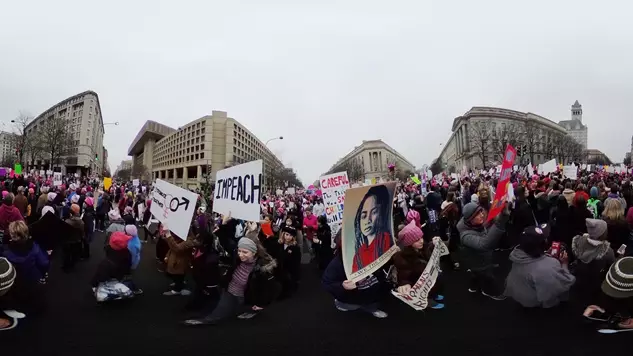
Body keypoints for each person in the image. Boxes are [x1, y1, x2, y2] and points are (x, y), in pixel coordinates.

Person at [183, 237, 279, 325]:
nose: (241, 254)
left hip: (246, 297)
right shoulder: (237, 258)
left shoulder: (262, 269)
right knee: (218, 312)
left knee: (240, 314)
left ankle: (250, 311)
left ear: (254, 253)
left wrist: (261, 304)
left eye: (245, 252)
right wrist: (224, 223)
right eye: (239, 251)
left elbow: (269, 289)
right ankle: (203, 320)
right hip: (230, 291)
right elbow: (225, 239)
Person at [504, 225, 575, 308]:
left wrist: (544, 254)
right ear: (543, 244)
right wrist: (564, 264)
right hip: (533, 304)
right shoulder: (550, 265)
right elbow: (566, 282)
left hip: (518, 294)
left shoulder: (517, 255)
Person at [322, 231, 389, 318]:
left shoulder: (373, 252)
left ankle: (373, 309)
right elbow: (326, 283)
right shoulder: (336, 264)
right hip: (353, 297)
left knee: (372, 303)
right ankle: (340, 303)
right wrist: (341, 286)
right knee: (352, 305)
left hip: (371, 291)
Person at [457, 202, 509, 300]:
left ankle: (473, 288)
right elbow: (484, 244)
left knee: (476, 275)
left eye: (481, 212)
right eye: (477, 214)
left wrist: (497, 210)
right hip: (480, 263)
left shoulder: (472, 224)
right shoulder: (465, 236)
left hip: (476, 261)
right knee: (488, 278)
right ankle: (489, 292)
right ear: (470, 219)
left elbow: (486, 225)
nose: (482, 215)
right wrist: (500, 221)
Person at [393, 220, 445, 309]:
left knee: (433, 289)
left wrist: (433, 244)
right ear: (409, 243)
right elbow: (403, 275)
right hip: (419, 284)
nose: (421, 241)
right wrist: (405, 284)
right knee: (427, 294)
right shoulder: (402, 258)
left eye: (421, 237)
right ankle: (429, 302)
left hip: (429, 278)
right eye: (416, 240)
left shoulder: (421, 246)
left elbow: (427, 249)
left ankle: (433, 295)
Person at [1, 221, 49, 315]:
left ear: (12, 235)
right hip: (31, 279)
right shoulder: (35, 247)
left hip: (13, 281)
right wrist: (43, 274)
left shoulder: (5, 250)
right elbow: (44, 263)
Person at [350, 185, 394, 273]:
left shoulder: (386, 239)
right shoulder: (358, 255)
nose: (368, 220)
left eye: (374, 212)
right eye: (363, 216)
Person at [161, 227, 200, 296]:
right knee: (176, 275)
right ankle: (178, 284)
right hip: (175, 260)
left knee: (178, 275)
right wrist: (166, 236)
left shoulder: (189, 240)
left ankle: (177, 290)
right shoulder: (182, 236)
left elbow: (177, 248)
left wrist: (168, 236)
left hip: (180, 262)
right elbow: (172, 245)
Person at [63, 204, 85, 271]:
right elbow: (82, 232)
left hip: (68, 241)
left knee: (67, 254)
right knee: (74, 254)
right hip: (76, 240)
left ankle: (66, 266)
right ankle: (72, 265)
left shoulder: (67, 221)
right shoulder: (81, 222)